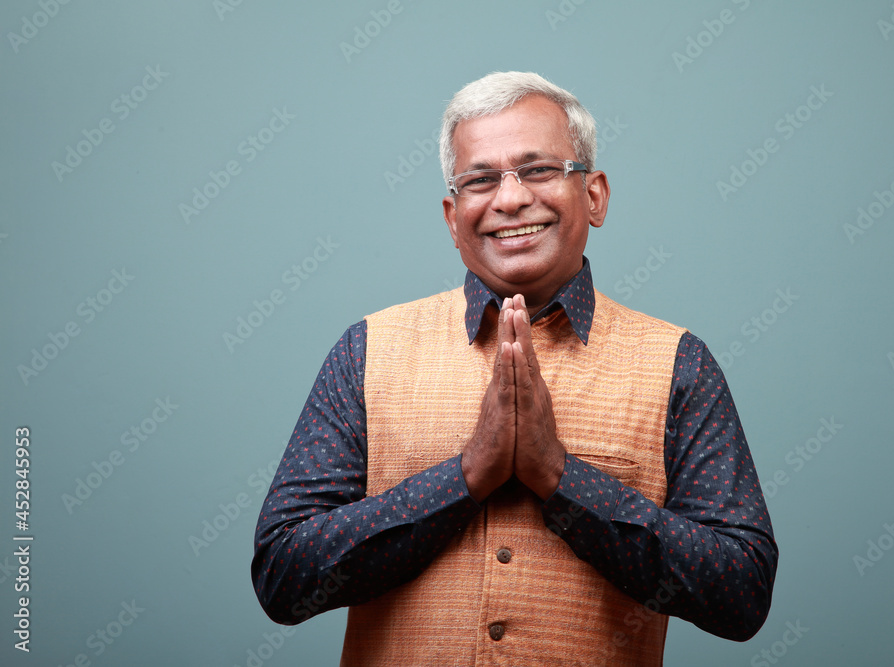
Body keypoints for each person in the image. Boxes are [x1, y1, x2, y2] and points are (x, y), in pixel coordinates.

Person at [251, 71, 778, 665]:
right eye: (480, 180)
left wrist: (559, 477)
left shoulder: (680, 364)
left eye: (539, 170)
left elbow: (743, 592)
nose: (509, 198)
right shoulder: (366, 352)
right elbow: (282, 577)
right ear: (453, 217)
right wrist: (467, 475)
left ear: (595, 195)